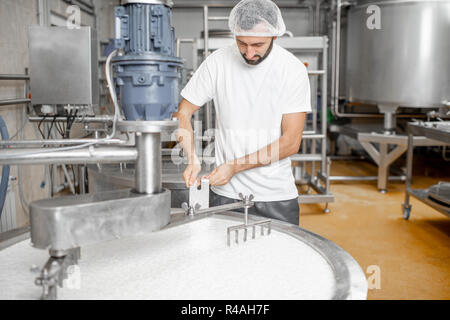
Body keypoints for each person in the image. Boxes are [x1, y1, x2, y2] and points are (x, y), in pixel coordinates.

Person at [174, 0, 311, 225]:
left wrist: (234, 166)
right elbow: (182, 113)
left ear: (274, 36)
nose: (249, 53)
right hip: (224, 193)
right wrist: (192, 159)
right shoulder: (217, 62)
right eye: (241, 43)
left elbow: (290, 142)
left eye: (257, 44)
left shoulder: (292, 70)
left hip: (274, 196)